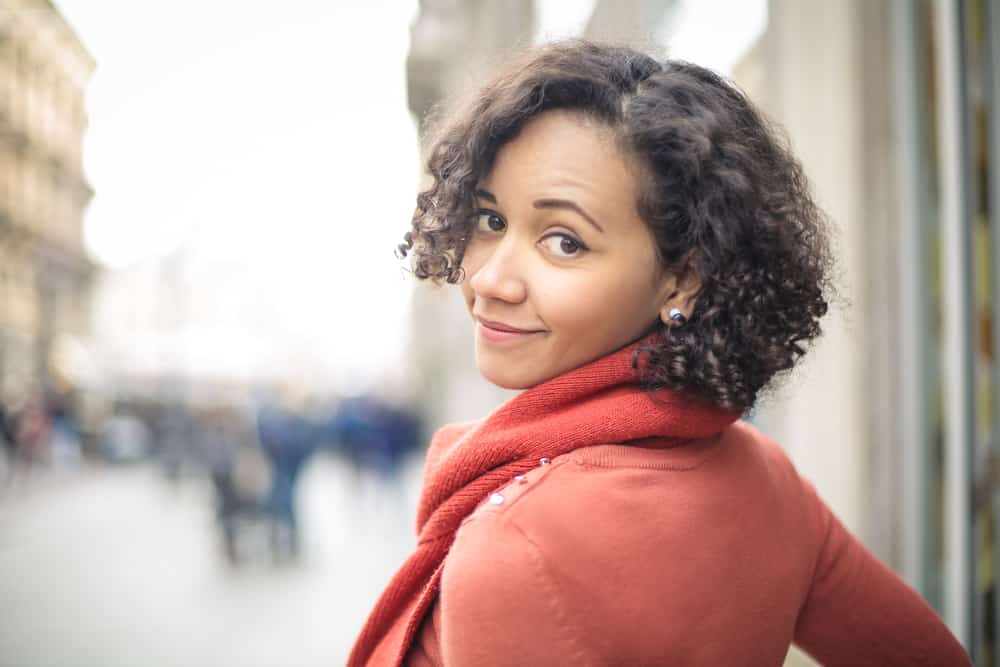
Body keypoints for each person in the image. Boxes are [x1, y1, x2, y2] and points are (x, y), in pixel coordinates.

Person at [348, 40, 972, 666]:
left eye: (564, 241)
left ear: (683, 280)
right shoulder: (767, 479)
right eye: (490, 220)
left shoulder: (518, 542)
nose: (490, 279)